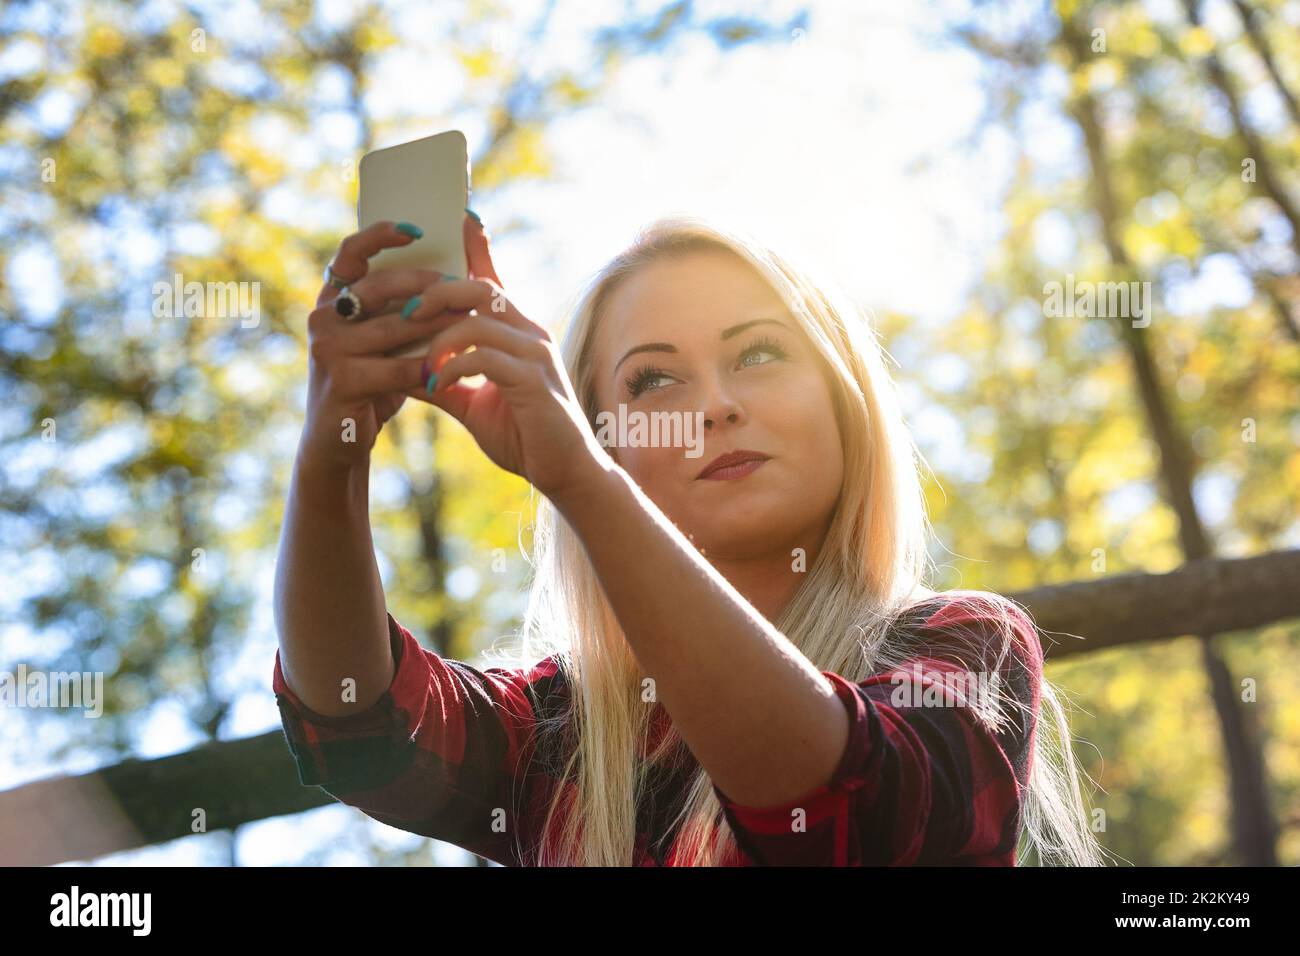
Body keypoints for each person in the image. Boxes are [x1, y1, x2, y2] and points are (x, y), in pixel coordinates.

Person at [272, 212, 1105, 866]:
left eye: (761, 353)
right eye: (655, 379)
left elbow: (850, 812)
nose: (715, 405)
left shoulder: (963, 645)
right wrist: (331, 451)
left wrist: (584, 481)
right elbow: (361, 727)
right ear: (606, 436)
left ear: (846, 401)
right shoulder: (562, 733)